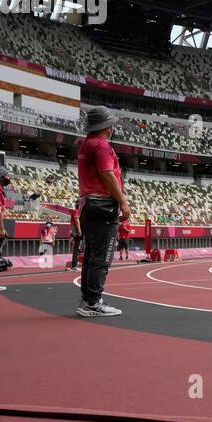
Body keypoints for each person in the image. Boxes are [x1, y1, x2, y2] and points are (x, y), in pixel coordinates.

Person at [75, 106, 131, 317]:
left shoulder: (86, 144)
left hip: (89, 204)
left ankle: (88, 299)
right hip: (103, 205)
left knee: (91, 255)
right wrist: (123, 202)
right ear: (106, 127)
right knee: (102, 256)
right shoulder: (101, 146)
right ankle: (93, 302)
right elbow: (107, 174)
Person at [68, 198, 84, 270]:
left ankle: (76, 263)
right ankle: (74, 265)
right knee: (77, 247)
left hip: (76, 230)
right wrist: (79, 231)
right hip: (77, 230)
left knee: (78, 247)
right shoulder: (76, 211)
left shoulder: (78, 211)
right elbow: (77, 221)